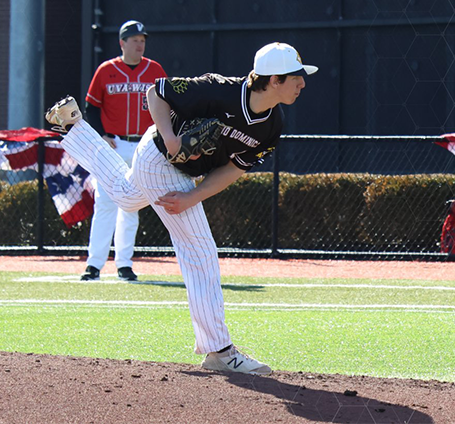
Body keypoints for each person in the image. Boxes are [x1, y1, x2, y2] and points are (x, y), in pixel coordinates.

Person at [45, 42, 316, 375]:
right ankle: (218, 350)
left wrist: (193, 197)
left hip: (175, 170)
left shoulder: (272, 125)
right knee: (199, 252)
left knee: (126, 196)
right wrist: (170, 136)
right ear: (274, 80)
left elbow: (233, 169)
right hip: (160, 158)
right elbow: (156, 93)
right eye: (296, 77)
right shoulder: (220, 90)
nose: (303, 83)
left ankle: (71, 127)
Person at [79, 20, 167, 282]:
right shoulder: (107, 70)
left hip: (142, 145)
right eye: (135, 40)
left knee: (131, 206)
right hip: (114, 145)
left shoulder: (155, 70)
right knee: (105, 202)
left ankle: (124, 263)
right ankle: (94, 264)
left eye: (142, 40)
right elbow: (91, 107)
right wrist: (101, 136)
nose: (140, 44)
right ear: (122, 43)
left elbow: (167, 104)